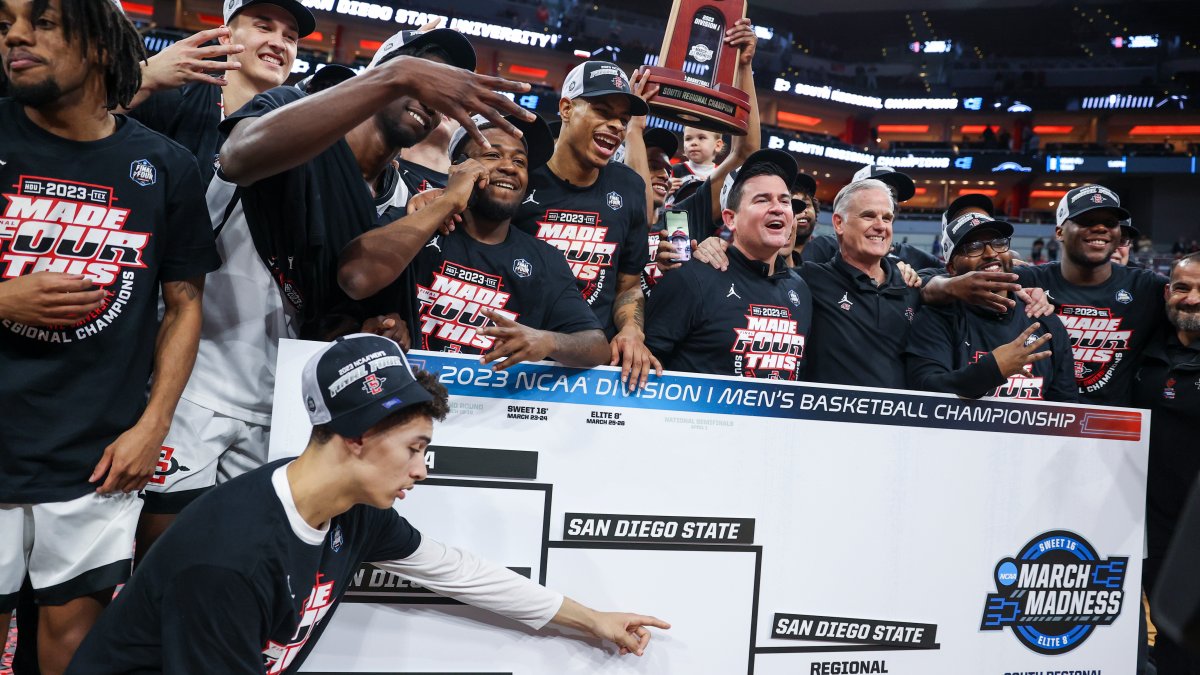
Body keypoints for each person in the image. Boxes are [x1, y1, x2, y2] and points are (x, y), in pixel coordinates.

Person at [66, 334, 669, 674]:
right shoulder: (227, 560)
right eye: (414, 448)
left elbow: (459, 571)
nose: (422, 470)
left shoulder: (351, 511)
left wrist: (594, 619)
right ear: (357, 436)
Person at [138, 27, 530, 547]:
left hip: (282, 407)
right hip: (196, 385)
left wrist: (373, 328)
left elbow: (350, 289)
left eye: (436, 97)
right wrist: (399, 76)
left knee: (239, 567)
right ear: (381, 74)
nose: (428, 104)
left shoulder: (402, 198)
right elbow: (238, 157)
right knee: (166, 560)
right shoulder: (293, 108)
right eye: (417, 76)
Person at [0, 0, 220, 671]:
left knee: (75, 638)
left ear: (99, 44)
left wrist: (154, 423)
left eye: (40, 21)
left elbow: (185, 305)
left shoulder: (167, 167)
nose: (14, 35)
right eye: (5, 21)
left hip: (97, 450)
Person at [337, 114, 611, 368]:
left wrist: (547, 341)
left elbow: (597, 346)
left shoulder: (545, 260)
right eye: (493, 155)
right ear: (457, 168)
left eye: (520, 162)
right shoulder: (414, 221)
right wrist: (450, 200)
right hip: (405, 403)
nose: (509, 167)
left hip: (489, 413)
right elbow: (355, 278)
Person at [511, 61, 658, 390]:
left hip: (588, 368)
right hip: (513, 360)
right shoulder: (521, 174)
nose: (616, 126)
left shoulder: (629, 187)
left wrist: (632, 329)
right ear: (566, 108)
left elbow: (628, 285)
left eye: (622, 119)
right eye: (603, 111)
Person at [644, 150, 811, 379]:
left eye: (784, 200)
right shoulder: (690, 279)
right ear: (730, 219)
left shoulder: (800, 289)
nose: (778, 208)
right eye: (762, 200)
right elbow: (643, 365)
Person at [123, 0, 317, 183]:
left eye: (290, 37)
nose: (279, 44)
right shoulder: (178, 97)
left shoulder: (299, 133)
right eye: (264, 28)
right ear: (226, 37)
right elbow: (96, 124)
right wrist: (142, 76)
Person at [1013, 184, 1168, 406]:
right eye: (1087, 220)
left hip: (1109, 429)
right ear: (1059, 232)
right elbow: (955, 281)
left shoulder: (1146, 287)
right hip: (1036, 421)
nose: (1101, 228)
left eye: (1110, 222)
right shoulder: (1027, 280)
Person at [904, 214, 1076, 401]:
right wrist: (993, 370)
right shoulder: (936, 318)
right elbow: (924, 390)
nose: (991, 253)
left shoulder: (1044, 317)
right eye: (973, 247)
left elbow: (1065, 404)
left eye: (999, 243)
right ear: (952, 269)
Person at [1135, 253, 1200, 675]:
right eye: (1182, 287)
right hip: (1156, 528)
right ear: (1167, 292)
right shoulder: (1145, 344)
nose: (1192, 299)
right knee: (1171, 630)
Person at [797, 179, 923, 388]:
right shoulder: (809, 280)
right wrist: (722, 245)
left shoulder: (911, 287)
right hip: (826, 418)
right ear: (839, 223)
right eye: (868, 216)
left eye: (887, 218)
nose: (880, 226)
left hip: (897, 419)